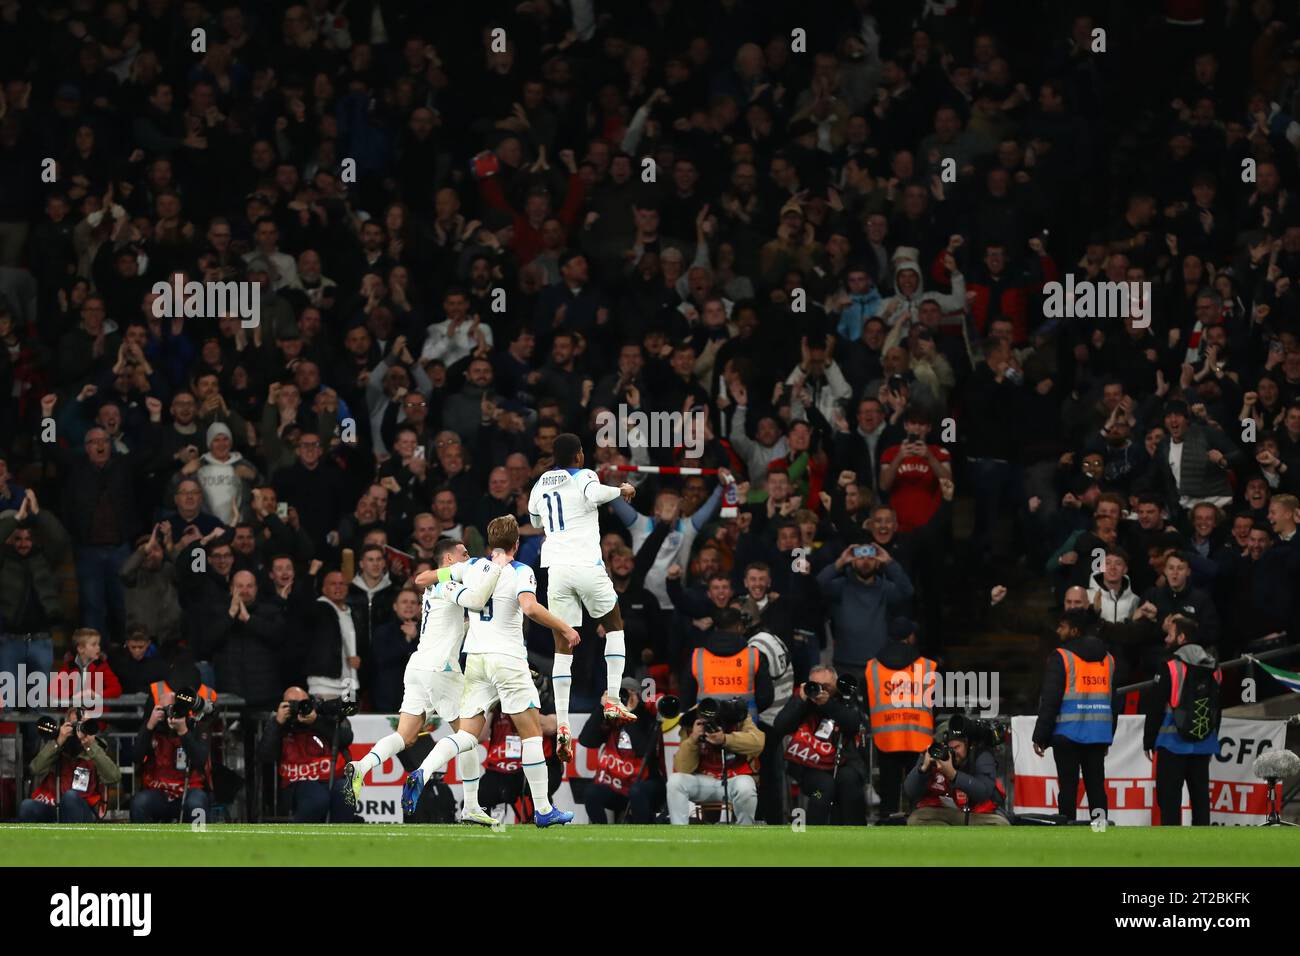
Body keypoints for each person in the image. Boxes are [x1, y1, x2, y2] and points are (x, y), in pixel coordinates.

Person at [400, 515, 580, 827]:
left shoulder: (468, 567)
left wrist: (443, 582)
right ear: (517, 544)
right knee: (532, 734)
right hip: (508, 660)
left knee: (467, 734)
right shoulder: (520, 570)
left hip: (476, 659)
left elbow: (425, 578)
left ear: (488, 542)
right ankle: (543, 809)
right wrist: (564, 627)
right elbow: (529, 607)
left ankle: (423, 771)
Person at [343, 538, 502, 824]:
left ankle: (362, 765)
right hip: (441, 670)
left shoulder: (434, 588)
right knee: (468, 736)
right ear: (449, 560)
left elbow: (458, 622)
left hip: (418, 667)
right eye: (463, 553)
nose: (469, 556)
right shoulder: (446, 584)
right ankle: (456, 797)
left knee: (405, 736)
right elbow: (476, 600)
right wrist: (494, 571)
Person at [527, 432, 638, 759]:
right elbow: (595, 492)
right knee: (615, 624)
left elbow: (535, 518)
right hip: (586, 565)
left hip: (556, 571)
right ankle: (614, 699)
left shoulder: (541, 483)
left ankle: (562, 723)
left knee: (563, 642)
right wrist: (621, 489)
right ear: (578, 456)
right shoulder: (585, 476)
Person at [1032, 609, 1115, 823]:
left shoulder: (1062, 657)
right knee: (1097, 788)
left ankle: (1067, 833)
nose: (1059, 630)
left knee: (1068, 789)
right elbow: (1113, 700)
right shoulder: (1108, 659)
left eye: (1063, 626)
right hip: (1097, 734)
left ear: (1074, 631)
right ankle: (1100, 831)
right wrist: (1108, 736)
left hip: (1066, 735)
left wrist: (1040, 735)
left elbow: (1050, 700)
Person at [1144, 616, 1222, 826]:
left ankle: (1172, 847)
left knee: (1169, 800)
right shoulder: (1214, 666)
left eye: (1170, 634)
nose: (1166, 639)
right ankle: (1202, 847)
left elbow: (1155, 707)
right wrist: (1212, 737)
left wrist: (1148, 741)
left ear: (1182, 637)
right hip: (1203, 743)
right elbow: (1217, 708)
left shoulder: (1170, 667)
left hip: (1172, 744)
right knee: (1200, 801)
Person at [772, 665, 866, 825]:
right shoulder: (803, 700)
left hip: (843, 762)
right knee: (823, 790)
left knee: (849, 781)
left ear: (836, 684)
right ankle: (814, 834)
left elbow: (853, 723)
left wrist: (828, 704)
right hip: (809, 766)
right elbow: (780, 727)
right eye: (816, 685)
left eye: (827, 686)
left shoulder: (845, 696)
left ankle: (854, 834)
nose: (821, 690)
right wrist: (799, 701)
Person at [865, 617, 936, 818]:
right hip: (918, 738)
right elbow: (934, 704)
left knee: (888, 797)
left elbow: (867, 703)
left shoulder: (872, 667)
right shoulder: (927, 666)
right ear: (911, 637)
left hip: (886, 739)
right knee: (919, 798)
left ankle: (887, 830)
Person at [256, 686, 357, 823]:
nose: (299, 708)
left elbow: (346, 739)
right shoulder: (280, 723)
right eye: (292, 704)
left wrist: (316, 721)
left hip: (331, 778)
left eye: (303, 702)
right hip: (297, 782)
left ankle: (340, 840)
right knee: (318, 798)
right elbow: (265, 755)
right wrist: (277, 724)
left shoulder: (320, 715)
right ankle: (298, 837)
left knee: (345, 793)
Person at [579, 677, 667, 823]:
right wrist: (601, 707)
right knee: (591, 793)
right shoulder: (612, 718)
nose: (626, 698)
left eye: (631, 693)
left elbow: (643, 751)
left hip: (646, 783)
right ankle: (602, 836)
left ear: (639, 697)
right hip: (617, 785)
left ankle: (643, 835)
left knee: (637, 791)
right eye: (622, 694)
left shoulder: (648, 718)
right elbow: (587, 741)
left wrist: (631, 715)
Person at [667, 696, 766, 825]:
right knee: (675, 781)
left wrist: (725, 739)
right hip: (704, 781)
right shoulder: (692, 720)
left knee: (746, 785)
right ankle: (680, 834)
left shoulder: (737, 715)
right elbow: (682, 769)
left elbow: (758, 743)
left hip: (734, 779)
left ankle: (745, 832)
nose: (711, 722)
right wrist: (693, 739)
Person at [18, 707, 122, 823]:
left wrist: (89, 746)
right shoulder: (57, 743)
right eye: (74, 725)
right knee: (27, 806)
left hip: (85, 807)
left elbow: (114, 777)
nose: (79, 730)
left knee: (70, 797)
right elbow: (35, 768)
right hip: (54, 805)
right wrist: (57, 743)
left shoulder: (97, 746)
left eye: (83, 725)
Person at [129, 686, 211, 824]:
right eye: (166, 709)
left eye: (175, 708)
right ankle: (144, 844)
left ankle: (200, 841)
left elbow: (200, 761)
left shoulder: (194, 726)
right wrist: (149, 725)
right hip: (159, 791)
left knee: (197, 805)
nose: (172, 714)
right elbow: (136, 757)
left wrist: (183, 732)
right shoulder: (153, 728)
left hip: (189, 789)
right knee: (139, 803)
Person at [903, 721, 1009, 826]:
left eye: (956, 747)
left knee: (1000, 824)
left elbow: (983, 792)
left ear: (967, 745)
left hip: (976, 814)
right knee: (916, 819)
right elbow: (910, 791)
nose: (952, 753)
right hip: (941, 812)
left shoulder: (979, 756)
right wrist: (923, 769)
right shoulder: (933, 754)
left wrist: (953, 775)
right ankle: (946, 836)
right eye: (947, 748)